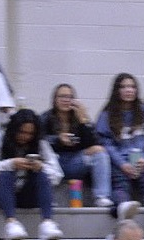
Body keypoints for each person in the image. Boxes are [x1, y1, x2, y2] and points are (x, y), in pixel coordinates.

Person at [96, 72, 144, 225]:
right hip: (120, 161)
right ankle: (123, 205)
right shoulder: (106, 116)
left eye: (132, 87)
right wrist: (122, 163)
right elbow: (105, 143)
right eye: (124, 87)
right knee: (120, 184)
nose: (128, 90)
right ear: (117, 90)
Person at [0, 108, 62, 240]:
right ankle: (11, 222)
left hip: (26, 194)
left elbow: (57, 175)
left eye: (30, 133)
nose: (25, 137)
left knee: (42, 175)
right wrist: (10, 164)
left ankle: (47, 222)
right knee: (6, 175)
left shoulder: (40, 143)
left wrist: (41, 167)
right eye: (22, 132)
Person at [41, 83, 111, 214]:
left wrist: (84, 120)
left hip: (75, 161)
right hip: (54, 162)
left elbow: (94, 142)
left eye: (69, 97)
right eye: (62, 96)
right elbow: (39, 141)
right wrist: (58, 139)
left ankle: (102, 197)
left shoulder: (78, 117)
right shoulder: (45, 118)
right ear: (55, 99)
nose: (66, 100)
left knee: (100, 152)